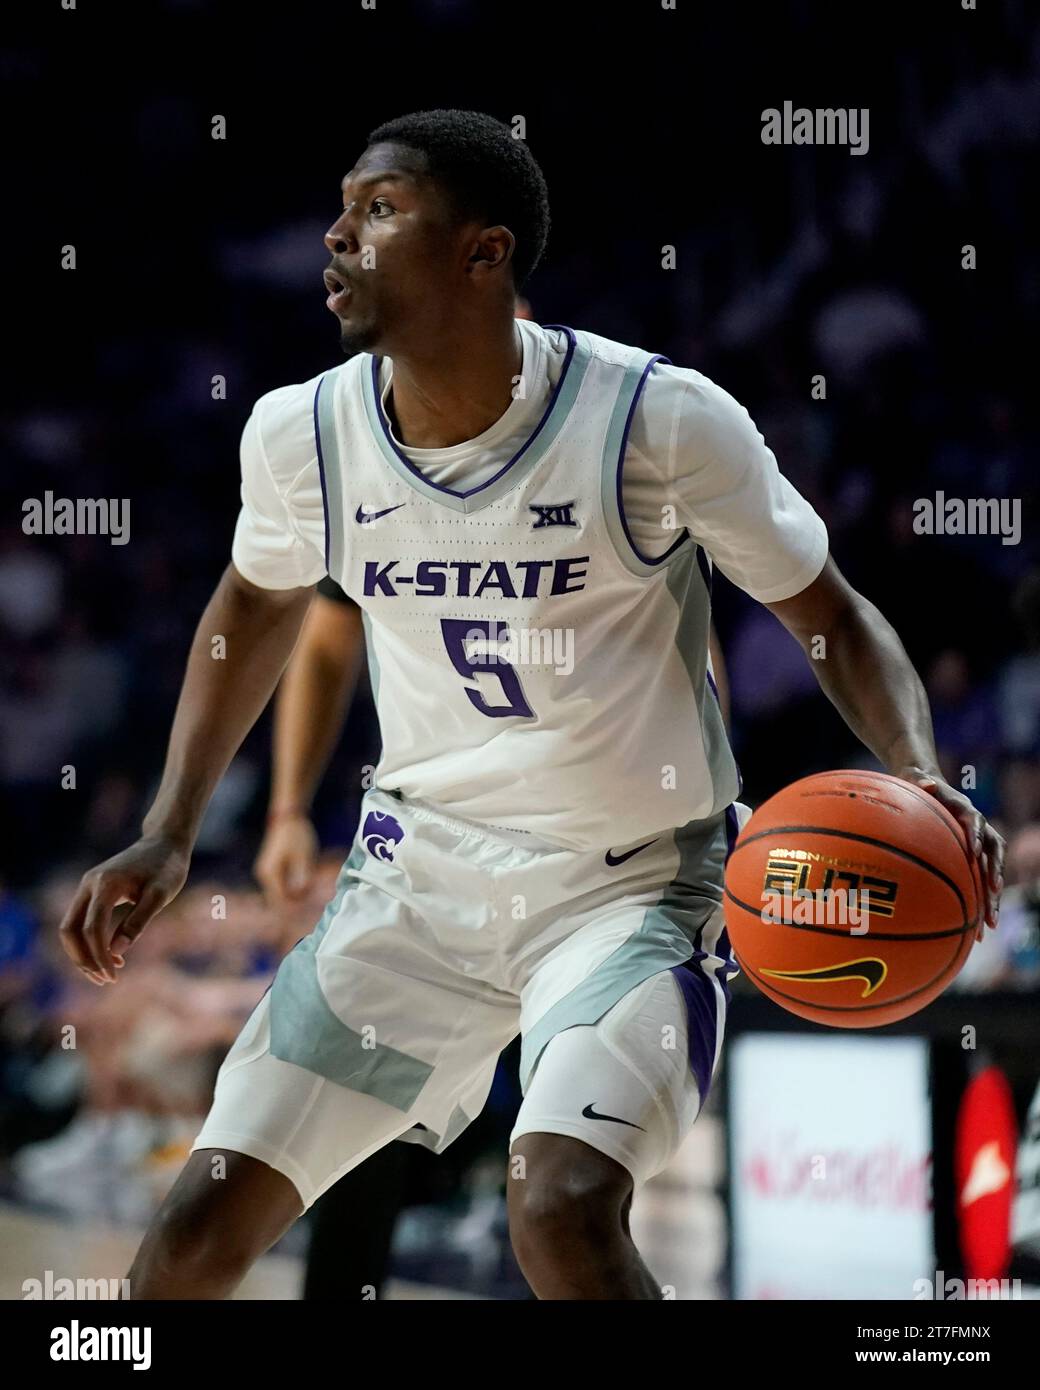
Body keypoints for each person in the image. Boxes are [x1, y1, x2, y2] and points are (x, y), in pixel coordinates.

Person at [59, 109, 1004, 1300]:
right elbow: (250, 609)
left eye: (380, 207)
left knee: (558, 1209)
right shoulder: (301, 432)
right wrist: (172, 825)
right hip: (414, 883)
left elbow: (827, 610)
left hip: (629, 892)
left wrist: (916, 768)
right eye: (343, 205)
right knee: (189, 1243)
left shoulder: (654, 419)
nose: (337, 234)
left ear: (482, 252)